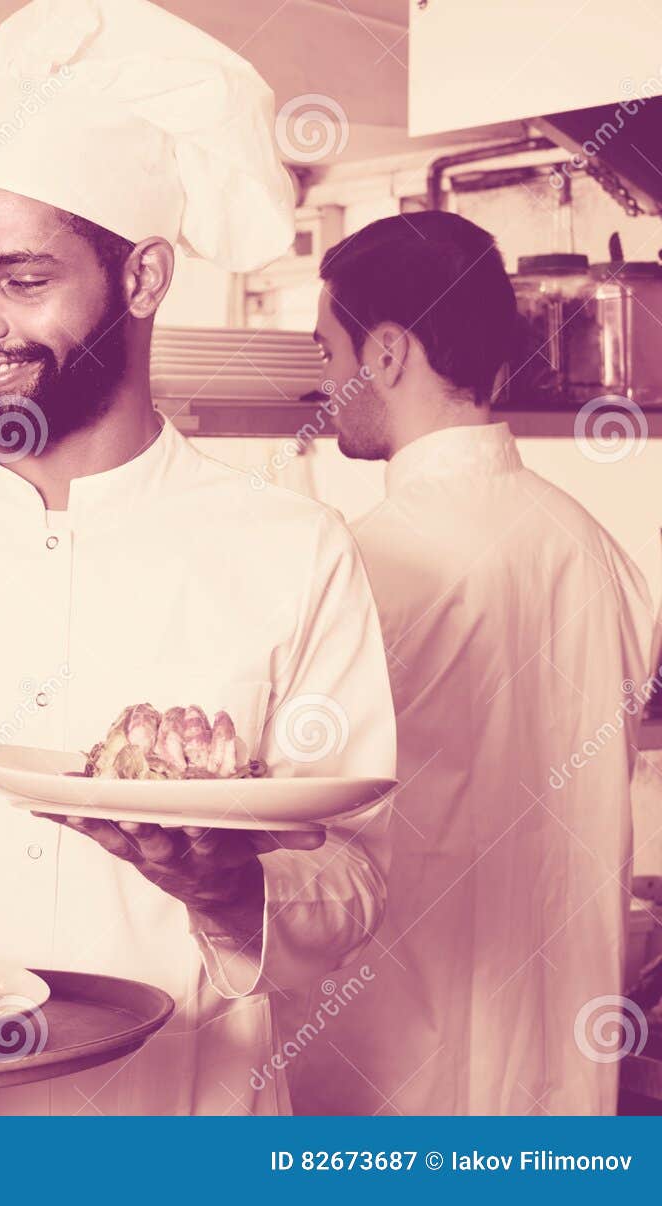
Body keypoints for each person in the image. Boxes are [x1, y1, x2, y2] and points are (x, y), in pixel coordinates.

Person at [0, 0, 397, 1115]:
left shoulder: (290, 549)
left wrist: (229, 889)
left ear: (143, 279)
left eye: (21, 278)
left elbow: (352, 878)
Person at [284, 211, 655, 1114]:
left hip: (392, 1086)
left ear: (388, 353)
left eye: (328, 354)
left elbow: (299, 822)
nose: (323, 384)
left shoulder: (360, 562)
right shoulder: (598, 550)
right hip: (559, 1089)